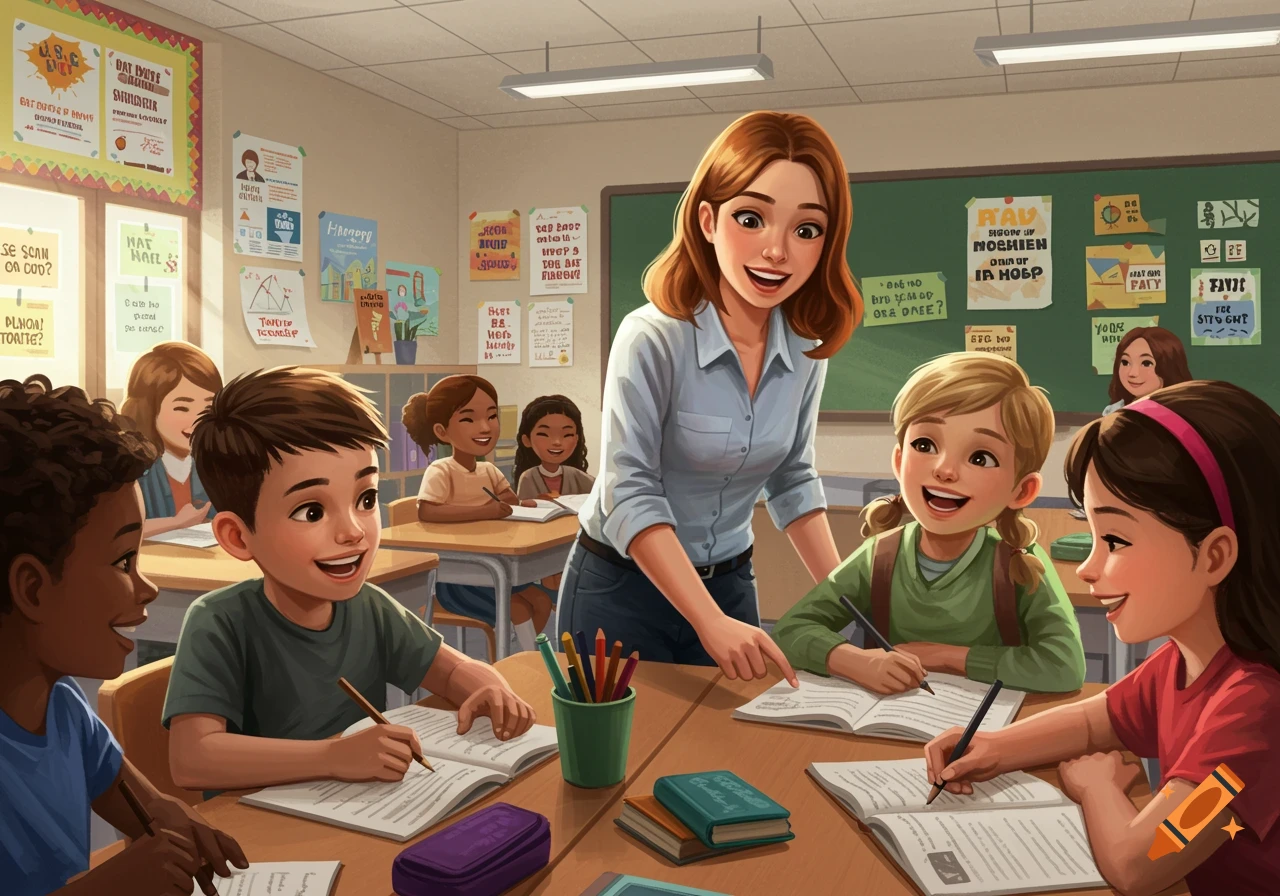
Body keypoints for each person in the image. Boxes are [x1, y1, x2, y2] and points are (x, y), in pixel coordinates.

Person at [925, 381, 1280, 895]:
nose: (1088, 568)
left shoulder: (1257, 715)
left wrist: (1098, 787)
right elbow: (1100, 720)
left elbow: (1140, 864)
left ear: (1215, 555)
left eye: (1114, 540)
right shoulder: (1185, 663)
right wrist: (994, 747)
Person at [564, 110, 862, 680]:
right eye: (751, 218)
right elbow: (630, 492)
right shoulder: (652, 337)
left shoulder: (807, 347)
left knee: (735, 735)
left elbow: (793, 478)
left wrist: (853, 607)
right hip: (621, 590)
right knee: (619, 737)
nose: (777, 251)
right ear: (707, 220)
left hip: (729, 584)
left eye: (806, 230)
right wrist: (707, 621)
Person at [163, 368, 536, 793]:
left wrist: (489, 686)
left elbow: (451, 670)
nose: (353, 532)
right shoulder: (220, 621)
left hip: (362, 808)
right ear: (237, 536)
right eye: (312, 512)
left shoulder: (368, 607)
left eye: (366, 499)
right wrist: (331, 757)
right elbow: (192, 759)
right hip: (257, 823)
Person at [0, 375, 246, 896]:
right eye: (122, 562)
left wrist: (176, 820)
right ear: (32, 588)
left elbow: (147, 807)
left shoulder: (62, 706)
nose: (147, 587)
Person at [772, 353, 1085, 694]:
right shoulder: (880, 556)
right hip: (894, 713)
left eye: (980, 458)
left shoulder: (1019, 561)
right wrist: (855, 661)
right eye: (925, 444)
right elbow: (791, 630)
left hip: (989, 720)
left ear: (1022, 490)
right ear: (899, 460)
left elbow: (1065, 667)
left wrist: (946, 657)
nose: (944, 470)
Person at [403, 375, 554, 652]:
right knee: (518, 608)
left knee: (542, 601)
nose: (485, 427)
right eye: (468, 419)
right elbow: (427, 511)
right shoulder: (441, 470)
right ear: (442, 431)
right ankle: (519, 661)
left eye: (492, 416)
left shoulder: (487, 469)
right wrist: (484, 511)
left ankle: (518, 653)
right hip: (459, 575)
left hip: (496, 566)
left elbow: (508, 498)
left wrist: (515, 503)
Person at [121, 342, 222, 538]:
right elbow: (114, 532)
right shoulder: (131, 469)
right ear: (149, 409)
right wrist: (176, 523)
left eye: (208, 409)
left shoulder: (214, 467)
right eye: (182, 408)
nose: (198, 420)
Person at [513, 394, 594, 500]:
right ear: (527, 440)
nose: (557, 442)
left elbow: (602, 493)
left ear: (576, 439)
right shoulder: (528, 477)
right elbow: (524, 505)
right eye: (543, 434)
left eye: (567, 435)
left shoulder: (577, 475)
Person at [1102, 326, 1191, 415]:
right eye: (1125, 362)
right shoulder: (1113, 412)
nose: (1133, 373)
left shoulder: (1183, 413)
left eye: (1146, 363)